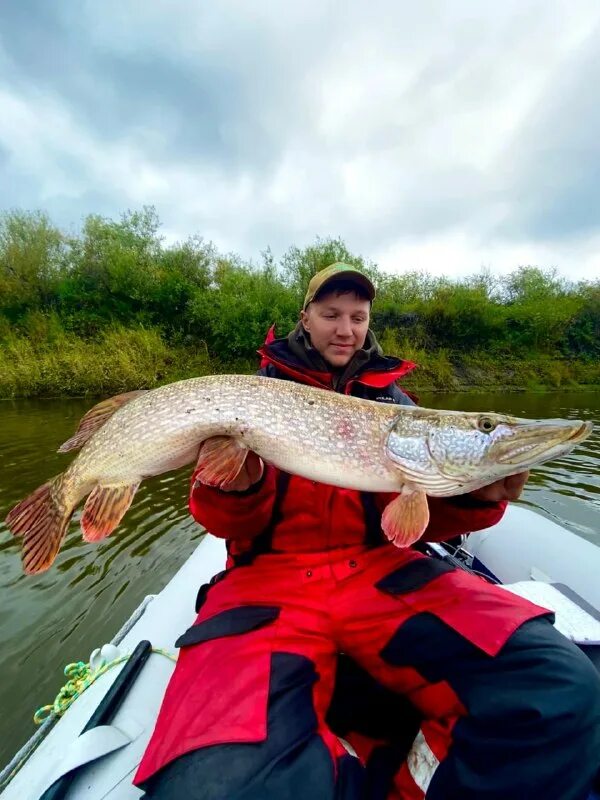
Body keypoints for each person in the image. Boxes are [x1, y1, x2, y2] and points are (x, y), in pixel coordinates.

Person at [135, 264, 600, 799]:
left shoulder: (397, 407)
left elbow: (412, 523)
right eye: (331, 314)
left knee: (560, 685)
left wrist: (476, 494)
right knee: (214, 778)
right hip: (267, 585)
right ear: (304, 319)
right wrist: (236, 486)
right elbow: (221, 521)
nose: (345, 328)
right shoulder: (250, 396)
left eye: (358, 317)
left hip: (380, 577)